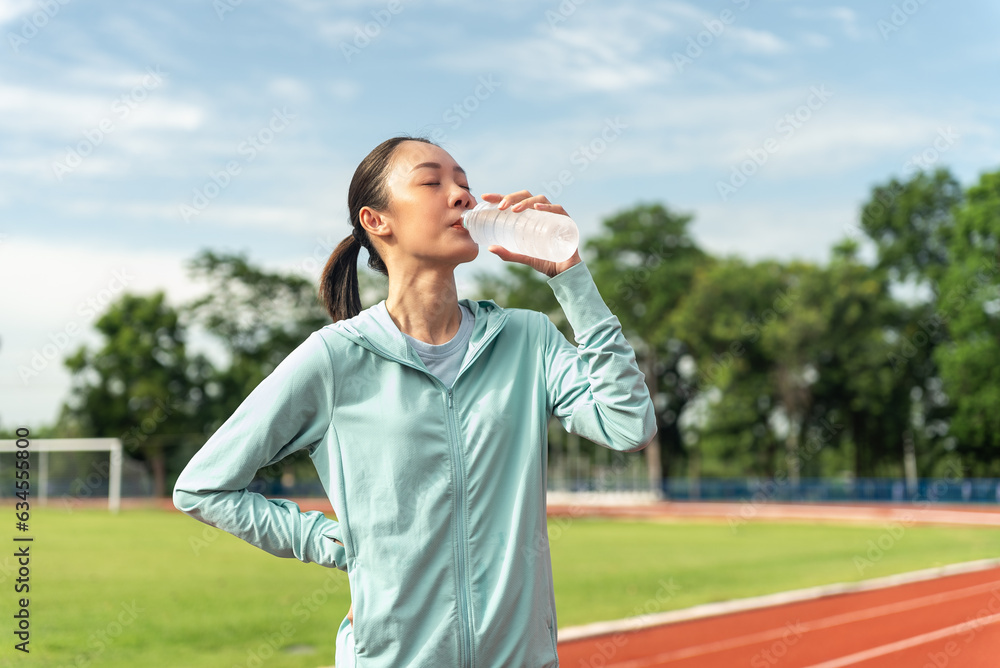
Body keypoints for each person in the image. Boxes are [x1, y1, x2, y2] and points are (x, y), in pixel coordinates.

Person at [173, 136, 657, 667]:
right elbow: (202, 487)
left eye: (465, 185)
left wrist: (572, 277)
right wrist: (339, 545)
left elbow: (628, 424)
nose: (461, 197)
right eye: (433, 182)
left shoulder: (527, 339)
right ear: (377, 220)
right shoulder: (336, 357)